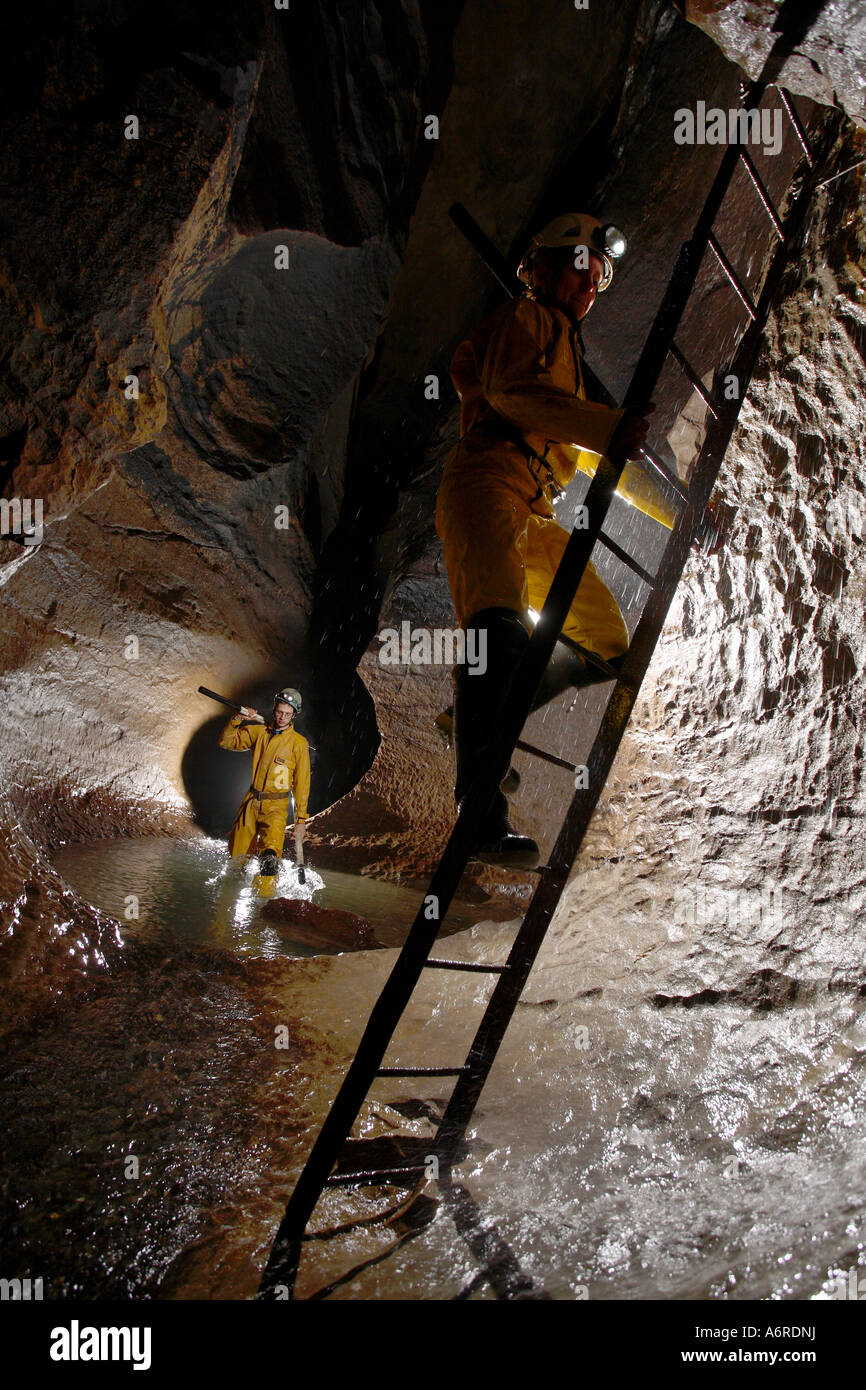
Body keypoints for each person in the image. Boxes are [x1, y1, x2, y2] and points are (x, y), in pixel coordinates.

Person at [435, 214, 678, 867]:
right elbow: (514, 393)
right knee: (497, 628)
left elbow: (606, 458)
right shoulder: (528, 322)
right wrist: (605, 424)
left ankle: (472, 721)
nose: (590, 285)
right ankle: (479, 817)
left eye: (598, 278)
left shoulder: (566, 362)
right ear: (540, 270)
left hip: (535, 506)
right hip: (487, 480)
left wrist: (683, 520)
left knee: (605, 649)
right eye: (580, 267)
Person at [219, 687, 311, 875]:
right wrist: (238, 718)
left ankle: (265, 899)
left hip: (276, 806)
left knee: (269, 860)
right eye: (279, 712)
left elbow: (302, 784)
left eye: (287, 714)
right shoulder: (258, 732)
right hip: (251, 802)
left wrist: (300, 820)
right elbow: (226, 742)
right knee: (236, 859)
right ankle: (232, 893)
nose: (282, 717)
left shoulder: (299, 744)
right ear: (274, 709)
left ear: (294, 714)